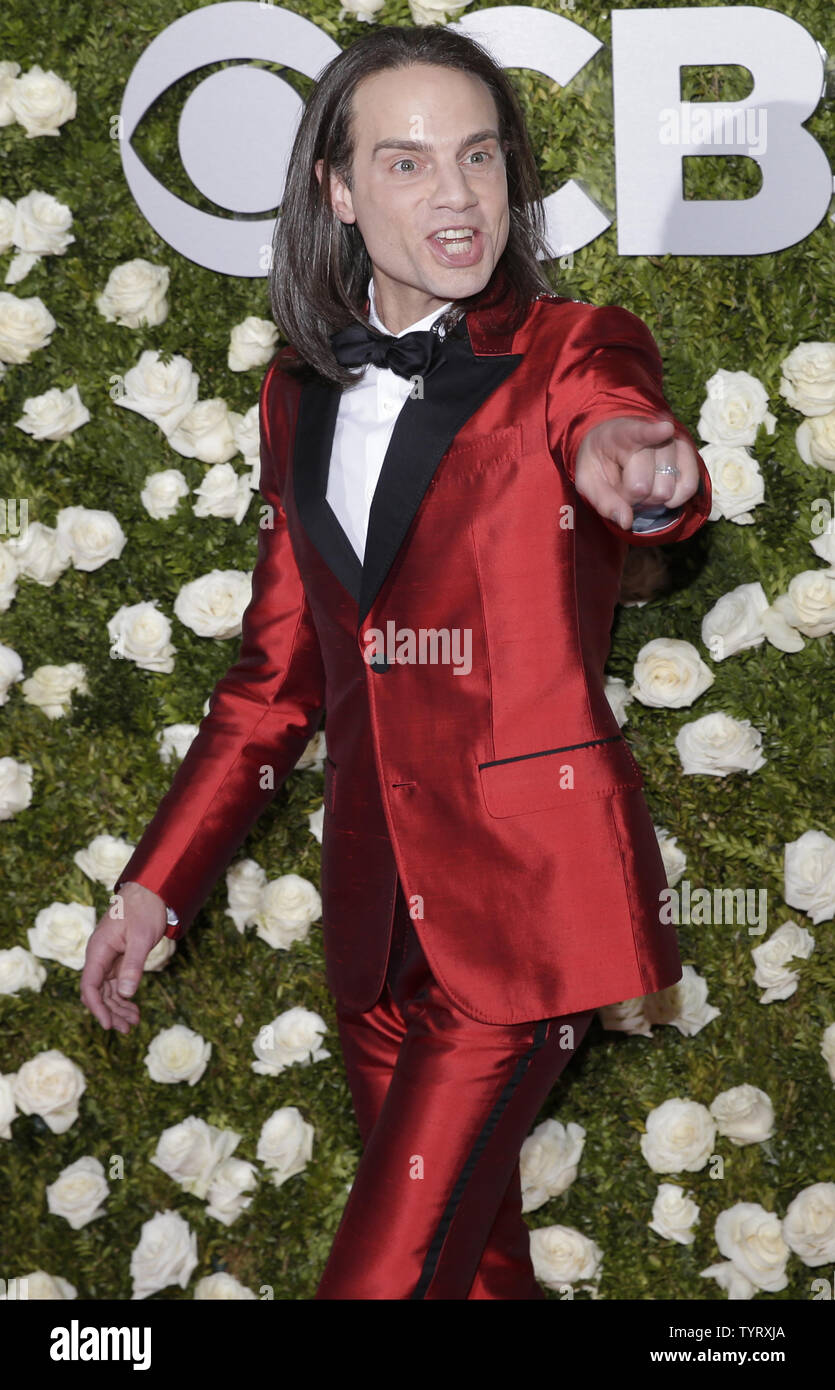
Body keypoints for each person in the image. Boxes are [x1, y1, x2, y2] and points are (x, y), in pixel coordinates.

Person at [81, 24, 712, 1298]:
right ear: (337, 188)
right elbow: (278, 680)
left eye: (479, 156)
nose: (458, 195)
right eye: (409, 162)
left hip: (525, 919)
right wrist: (156, 885)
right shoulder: (295, 396)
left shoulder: (572, 349)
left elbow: (623, 436)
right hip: (376, 926)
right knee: (470, 1276)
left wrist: (638, 479)